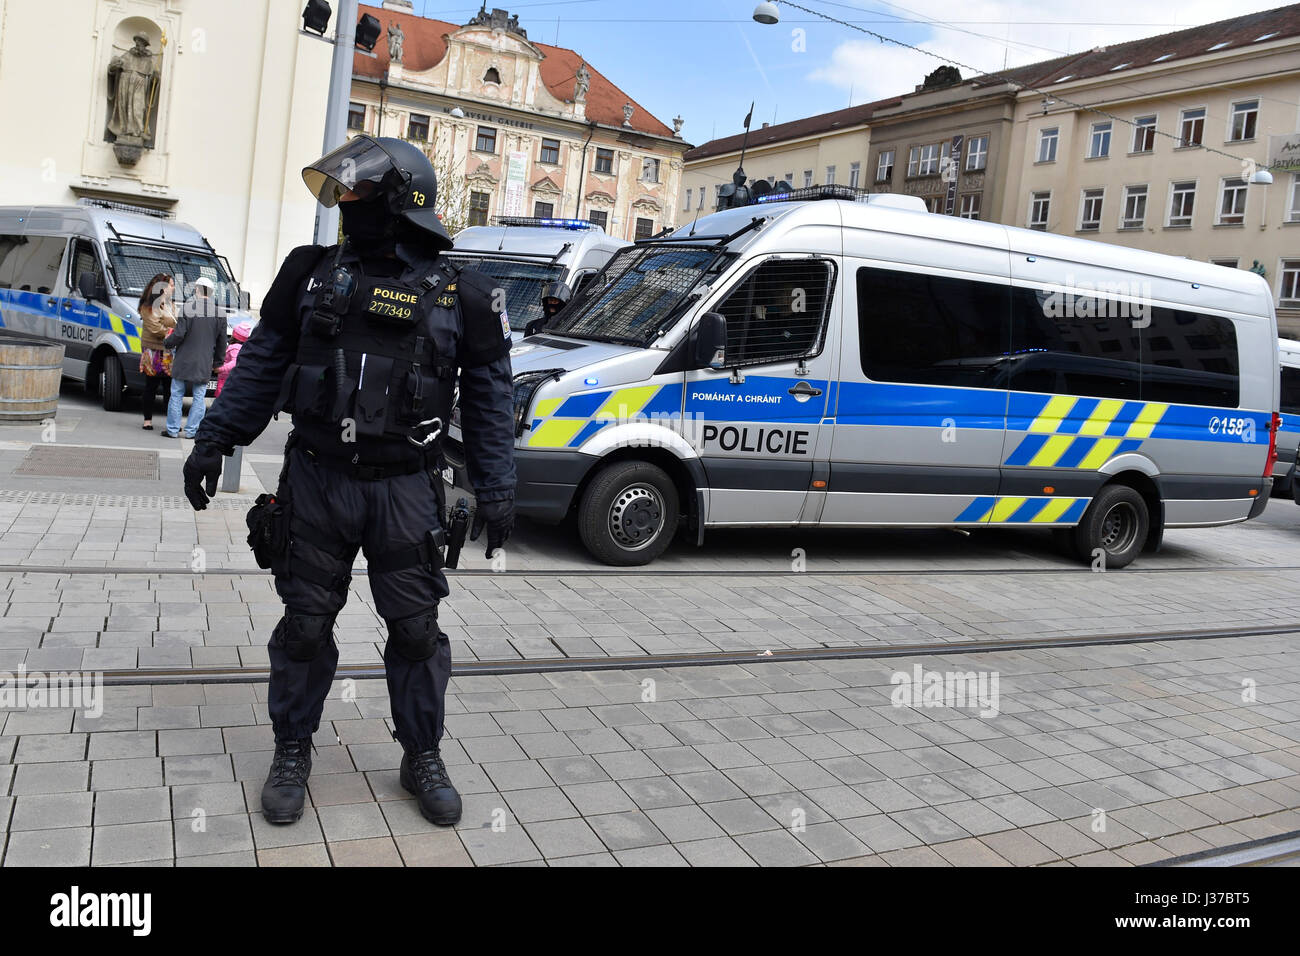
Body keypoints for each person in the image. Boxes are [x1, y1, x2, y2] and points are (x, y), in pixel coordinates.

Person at [181, 135, 516, 828]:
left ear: (399, 202)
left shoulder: (467, 293)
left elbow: (490, 399)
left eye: (357, 191)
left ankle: (422, 755)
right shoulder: (308, 273)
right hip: (318, 478)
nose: (344, 203)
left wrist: (498, 486)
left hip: (406, 488)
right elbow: (262, 364)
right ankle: (292, 749)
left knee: (416, 630)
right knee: (305, 625)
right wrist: (214, 438)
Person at [164, 276, 225, 438]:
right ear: (211, 293)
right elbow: (221, 342)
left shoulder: (187, 308)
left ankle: (172, 430)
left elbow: (179, 334)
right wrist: (218, 362)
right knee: (199, 397)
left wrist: (167, 342)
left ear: (197, 289)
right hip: (204, 361)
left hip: (183, 359)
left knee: (176, 394)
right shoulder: (220, 313)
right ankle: (191, 431)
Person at [137, 273, 176, 430]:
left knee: (169, 388)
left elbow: (176, 322)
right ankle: (147, 420)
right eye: (171, 285)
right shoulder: (147, 307)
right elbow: (156, 328)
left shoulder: (170, 304)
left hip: (168, 351)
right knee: (151, 386)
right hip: (153, 350)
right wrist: (173, 331)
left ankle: (171, 423)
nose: (173, 288)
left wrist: (171, 329)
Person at [216, 321, 252, 397]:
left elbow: (235, 362)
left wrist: (220, 369)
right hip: (227, 378)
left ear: (235, 335)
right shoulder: (241, 347)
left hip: (226, 379)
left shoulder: (235, 347)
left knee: (221, 399)